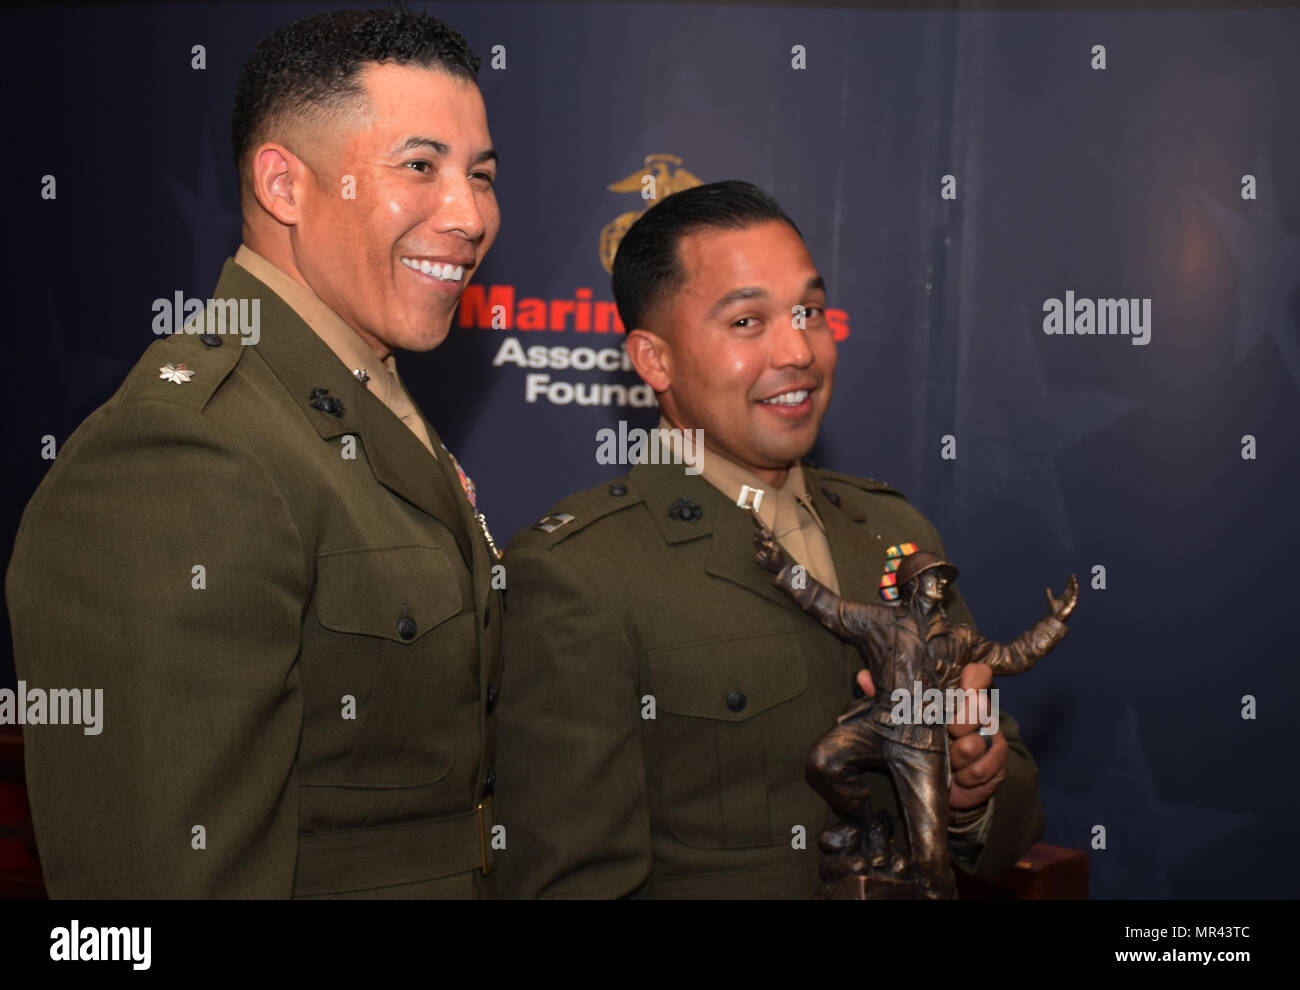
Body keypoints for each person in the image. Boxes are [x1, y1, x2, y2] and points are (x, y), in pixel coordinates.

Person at [6, 8, 503, 898]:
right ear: (283, 185)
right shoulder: (185, 449)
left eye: (482, 175)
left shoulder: (365, 394)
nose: (468, 215)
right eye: (421, 167)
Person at [496, 180, 1047, 898]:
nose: (799, 350)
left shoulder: (894, 530)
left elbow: (1017, 822)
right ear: (653, 360)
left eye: (809, 312)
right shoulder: (582, 576)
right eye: (748, 322)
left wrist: (972, 792)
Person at [754, 534, 1077, 898]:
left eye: (943, 579)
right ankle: (871, 828)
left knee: (933, 863)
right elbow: (824, 603)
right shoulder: (878, 620)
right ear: (911, 584)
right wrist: (781, 565)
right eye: (932, 577)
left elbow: (1012, 657)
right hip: (878, 724)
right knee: (825, 761)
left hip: (922, 743)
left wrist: (1053, 623)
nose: (941, 584)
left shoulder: (960, 637)